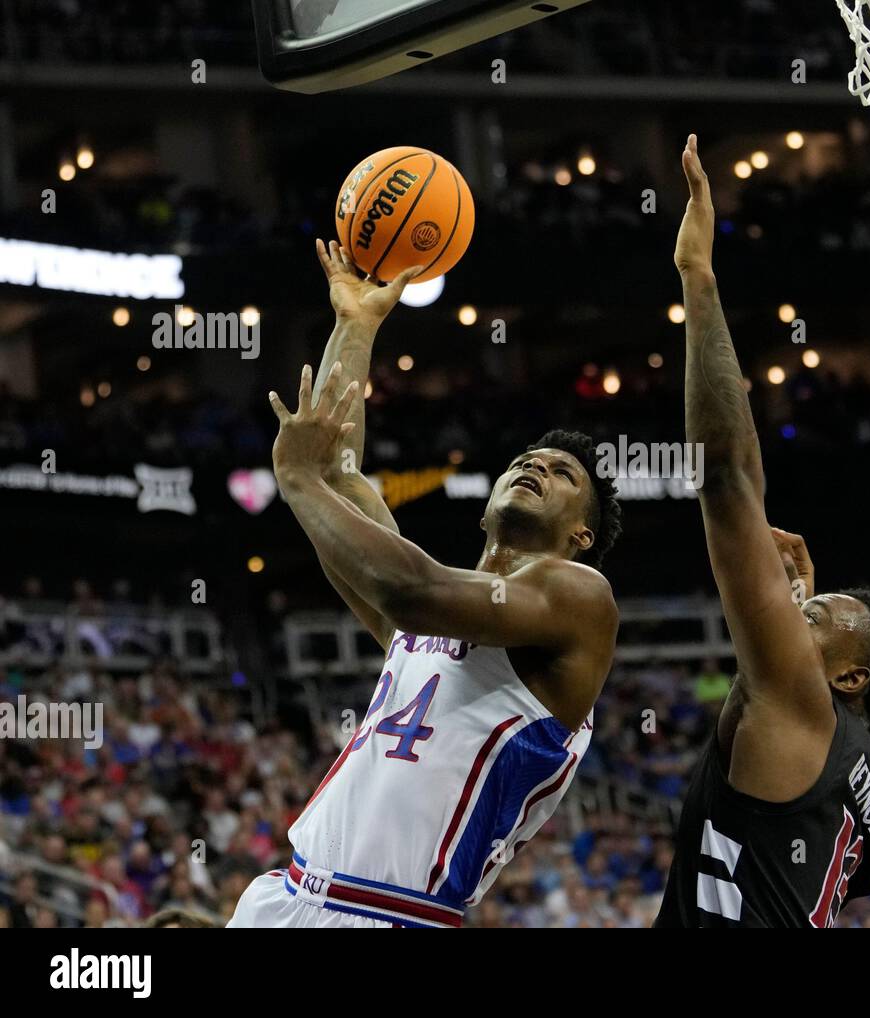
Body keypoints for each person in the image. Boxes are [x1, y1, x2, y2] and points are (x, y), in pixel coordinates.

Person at [229, 242, 621, 928]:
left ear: (580, 538)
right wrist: (356, 324)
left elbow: (407, 583)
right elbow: (338, 472)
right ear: (484, 505)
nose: (536, 467)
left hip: (392, 916)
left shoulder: (579, 600)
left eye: (563, 475)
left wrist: (294, 481)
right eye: (527, 461)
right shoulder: (431, 614)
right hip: (282, 894)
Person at [655, 136, 870, 927]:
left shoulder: (804, 706)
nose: (789, 606)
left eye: (811, 617)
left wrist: (699, 282)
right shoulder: (855, 772)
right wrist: (806, 606)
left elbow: (728, 479)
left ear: (849, 680)